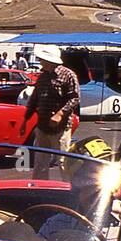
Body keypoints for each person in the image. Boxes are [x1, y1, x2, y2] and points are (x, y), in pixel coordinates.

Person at [23, 44, 79, 178]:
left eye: (42, 59)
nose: (41, 62)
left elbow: (75, 98)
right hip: (42, 126)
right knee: (40, 161)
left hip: (60, 128)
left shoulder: (68, 75)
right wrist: (25, 120)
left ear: (50, 60)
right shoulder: (43, 77)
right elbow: (34, 99)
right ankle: (39, 190)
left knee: (63, 161)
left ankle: (69, 190)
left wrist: (60, 114)